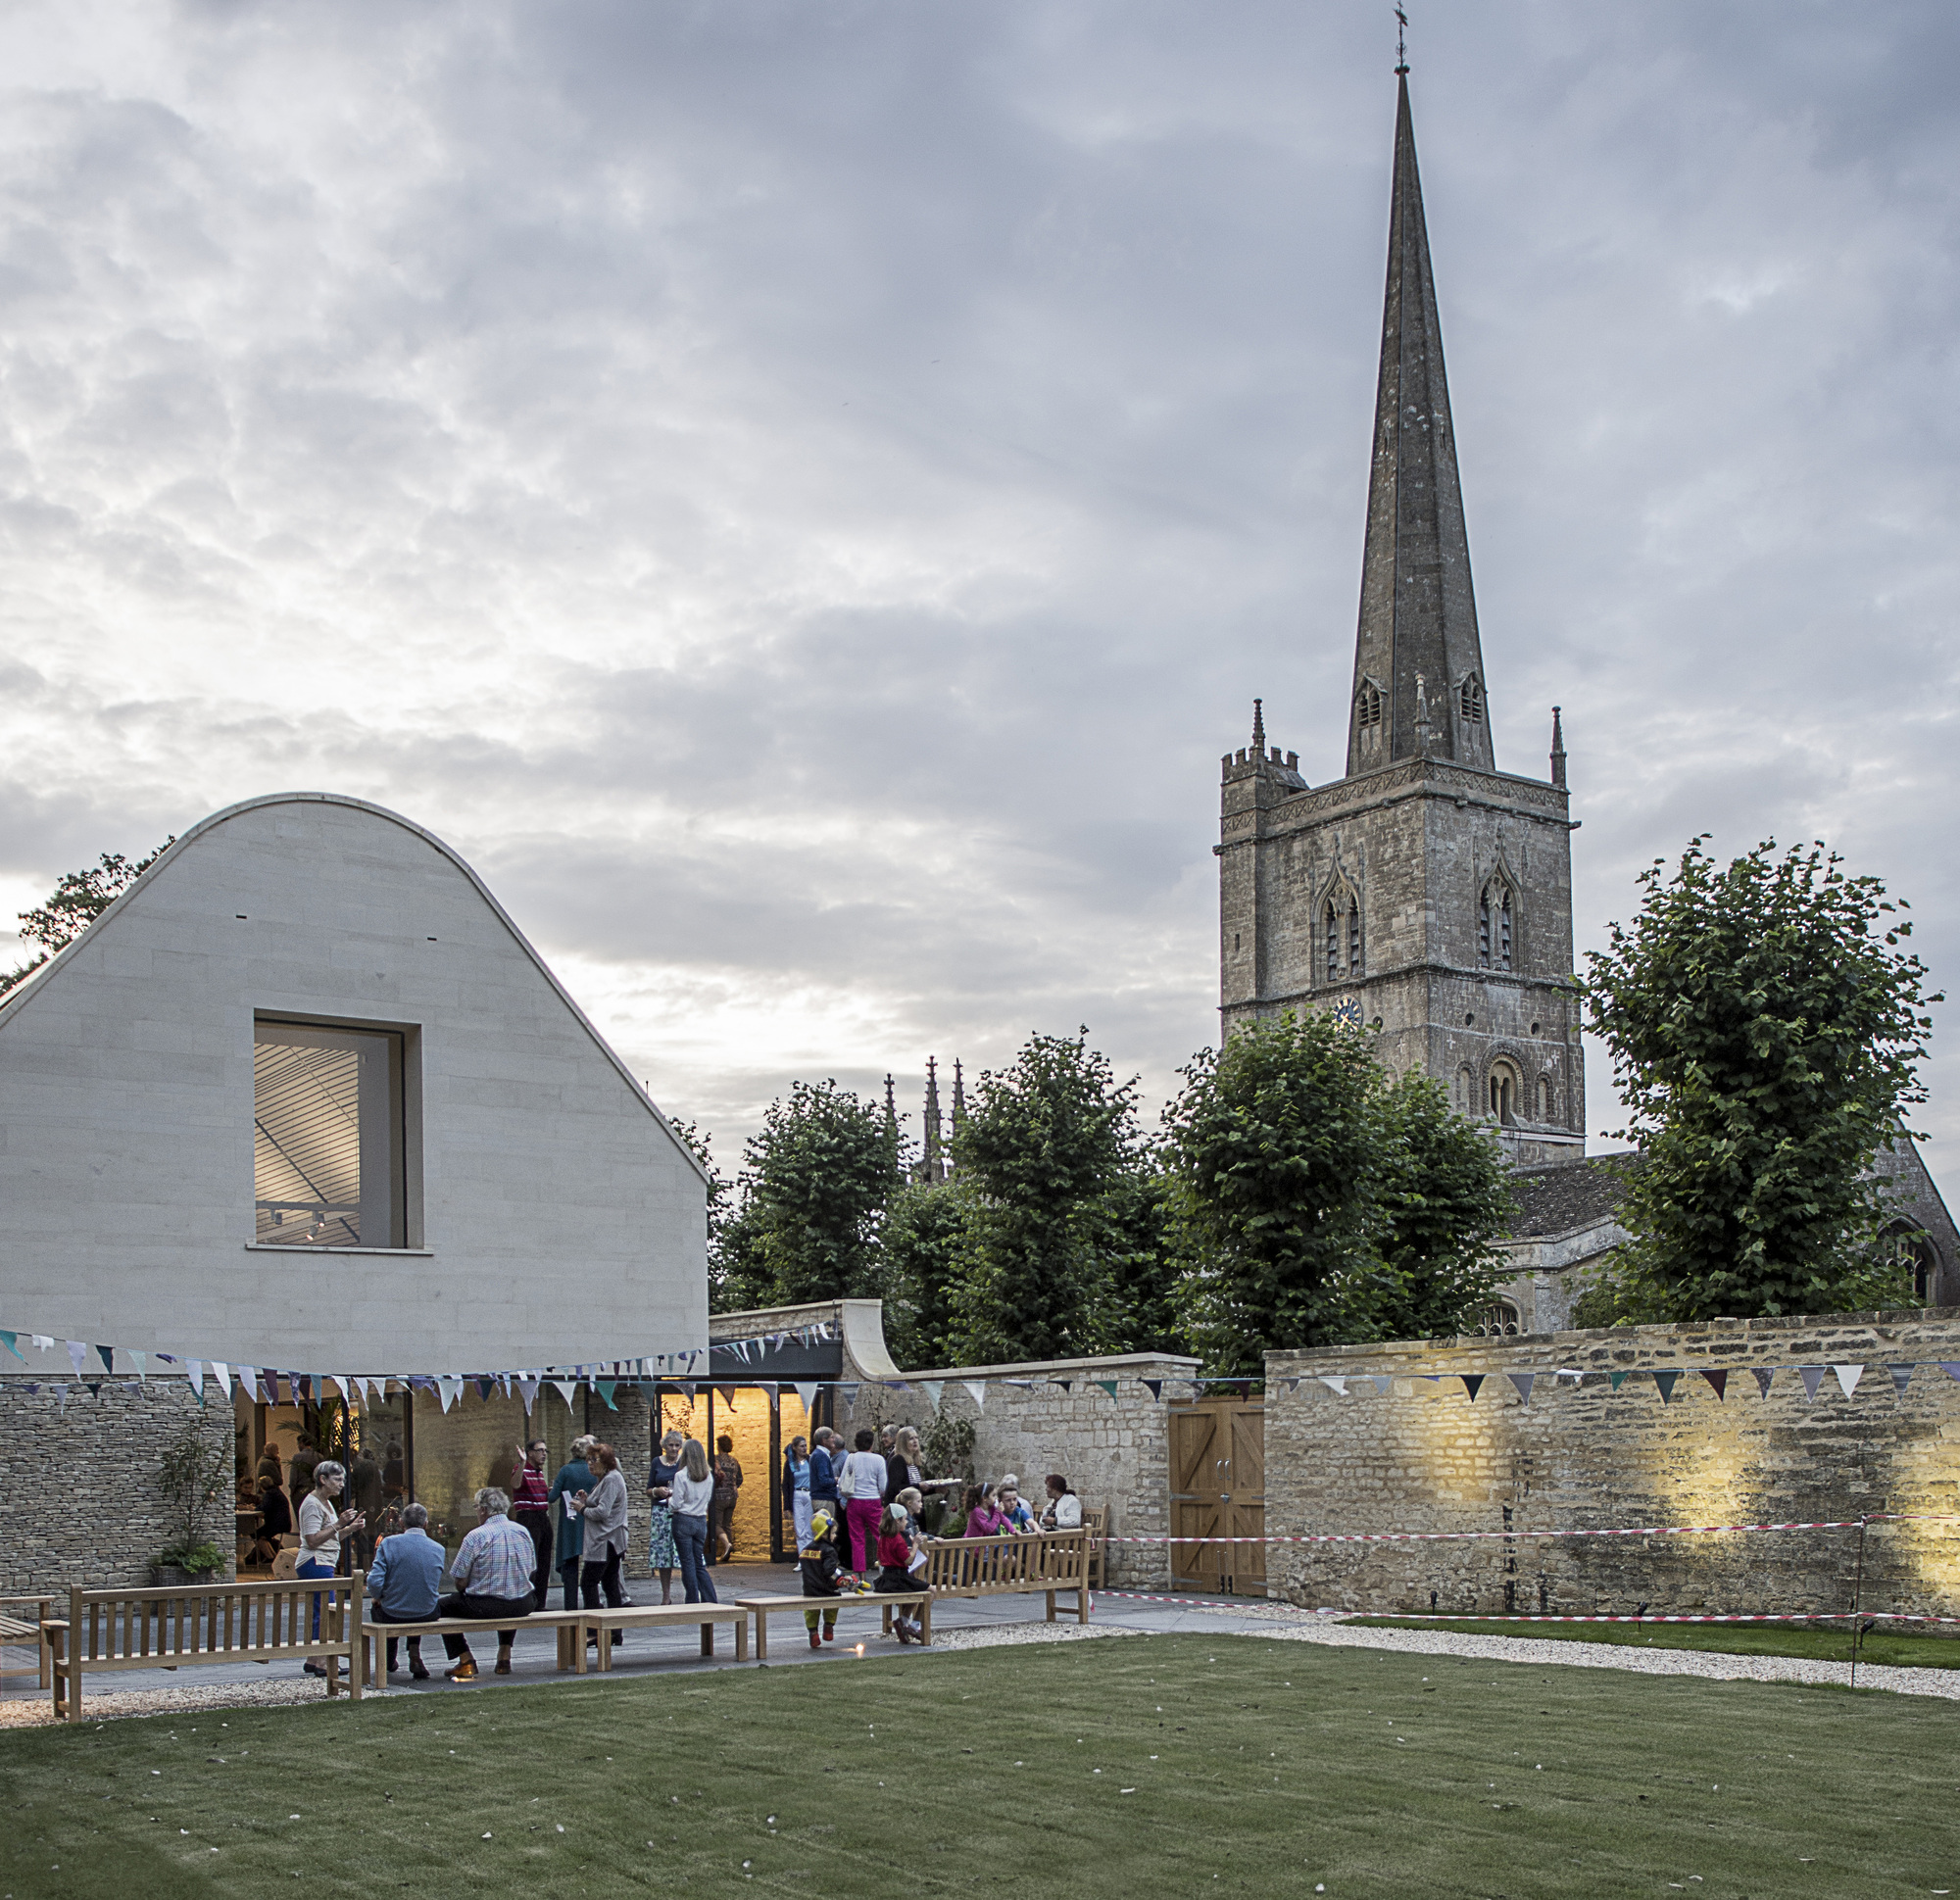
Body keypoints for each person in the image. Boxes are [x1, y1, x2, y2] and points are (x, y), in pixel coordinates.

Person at [436, 1487, 536, 1681]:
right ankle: (504, 1656)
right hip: (523, 1603)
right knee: (510, 1593)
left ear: (483, 1509)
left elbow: (459, 1580)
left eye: (476, 1508)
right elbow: (531, 1569)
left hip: (484, 1605)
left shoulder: (476, 1536)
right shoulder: (522, 1531)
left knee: (442, 1607)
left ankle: (466, 1659)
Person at [296, 1460, 364, 1668]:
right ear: (323, 1480)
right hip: (315, 1561)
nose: (341, 1483)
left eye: (343, 1479)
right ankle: (322, 1661)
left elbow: (330, 1537)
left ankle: (313, 1659)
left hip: (324, 1561)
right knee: (325, 1611)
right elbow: (313, 1539)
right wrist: (338, 1524)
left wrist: (350, 1528)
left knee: (322, 1609)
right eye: (337, 1479)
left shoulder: (325, 1502)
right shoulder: (312, 1504)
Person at [367, 1501, 443, 1679]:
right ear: (426, 1523)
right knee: (414, 1600)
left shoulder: (388, 1544)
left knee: (385, 1607)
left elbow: (375, 1581)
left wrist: (377, 1596)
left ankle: (389, 1657)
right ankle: (414, 1653)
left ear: (401, 1523)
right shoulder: (438, 1549)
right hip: (427, 1611)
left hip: (392, 1612)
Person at [569, 1441, 632, 1632]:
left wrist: (582, 1509)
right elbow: (602, 1504)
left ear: (605, 1462)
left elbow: (603, 1512)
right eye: (588, 1460)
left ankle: (595, 1629)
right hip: (606, 1539)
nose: (589, 1464)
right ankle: (613, 1631)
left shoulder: (612, 1479)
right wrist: (586, 1499)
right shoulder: (603, 1479)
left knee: (588, 1582)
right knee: (610, 1583)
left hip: (607, 1540)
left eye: (593, 1460)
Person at [547, 1437, 596, 1613]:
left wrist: (551, 1489)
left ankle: (571, 1606)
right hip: (590, 1520)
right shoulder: (593, 1471)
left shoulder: (566, 1471)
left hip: (570, 1522)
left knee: (570, 1563)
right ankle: (593, 1604)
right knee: (593, 1564)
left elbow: (551, 1498)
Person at [670, 1438, 718, 1604]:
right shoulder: (708, 1476)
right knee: (699, 1562)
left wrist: (669, 1500)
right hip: (700, 1520)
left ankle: (692, 1600)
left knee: (687, 1562)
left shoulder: (681, 1475)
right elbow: (708, 1499)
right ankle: (710, 1598)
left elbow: (676, 1504)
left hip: (683, 1519)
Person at [510, 1440, 554, 1610]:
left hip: (542, 1516)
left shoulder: (539, 1473)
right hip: (528, 1517)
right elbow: (515, 1484)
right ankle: (528, 1601)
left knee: (544, 1561)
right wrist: (521, 1463)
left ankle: (540, 1603)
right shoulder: (522, 1468)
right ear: (530, 1453)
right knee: (531, 1562)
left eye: (545, 1450)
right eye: (539, 1450)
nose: (543, 1454)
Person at [872, 1501, 924, 1643]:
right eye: (905, 1519)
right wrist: (914, 1545)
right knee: (930, 1591)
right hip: (899, 1578)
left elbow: (881, 1557)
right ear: (897, 1520)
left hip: (886, 1578)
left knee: (918, 1590)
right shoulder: (898, 1539)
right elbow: (908, 1561)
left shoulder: (883, 1537)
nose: (906, 1522)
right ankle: (914, 1624)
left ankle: (903, 1621)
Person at [646, 1428, 685, 1605]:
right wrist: (656, 1491)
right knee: (663, 1555)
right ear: (664, 1446)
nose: (674, 1449)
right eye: (671, 1445)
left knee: (682, 1552)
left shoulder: (683, 1463)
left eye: (677, 1445)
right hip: (660, 1512)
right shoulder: (657, 1462)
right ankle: (666, 1595)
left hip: (678, 1510)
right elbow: (648, 1488)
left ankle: (689, 1592)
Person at [799, 1507, 847, 1649]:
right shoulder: (829, 1550)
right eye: (832, 1533)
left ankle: (813, 1633)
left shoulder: (806, 1550)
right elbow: (830, 1571)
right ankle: (828, 1626)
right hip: (828, 1590)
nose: (834, 1536)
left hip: (810, 1591)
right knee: (832, 1605)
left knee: (810, 1611)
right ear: (824, 1533)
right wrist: (841, 1578)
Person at [840, 1428, 886, 1573]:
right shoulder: (878, 1459)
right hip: (873, 1500)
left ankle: (861, 1575)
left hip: (854, 1501)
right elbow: (883, 1486)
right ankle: (886, 1568)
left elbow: (842, 1480)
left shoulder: (851, 1458)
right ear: (872, 1443)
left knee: (857, 1539)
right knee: (881, 1536)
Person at [347, 1442, 384, 1570]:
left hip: (363, 1503)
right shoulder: (373, 1468)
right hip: (374, 1504)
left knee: (362, 1537)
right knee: (371, 1536)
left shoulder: (360, 1467)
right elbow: (380, 1486)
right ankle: (371, 1568)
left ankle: (362, 1568)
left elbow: (354, 1487)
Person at [710, 1434, 744, 1562]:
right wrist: (733, 1486)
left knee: (716, 1524)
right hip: (732, 1496)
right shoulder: (734, 1461)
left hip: (719, 1495)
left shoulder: (715, 1460)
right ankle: (727, 1552)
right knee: (727, 1524)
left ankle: (726, 1545)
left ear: (719, 1446)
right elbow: (740, 1478)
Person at [781, 1435, 813, 1552]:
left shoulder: (810, 1460)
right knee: (799, 1528)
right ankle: (802, 1557)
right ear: (795, 1448)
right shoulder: (790, 1464)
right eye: (801, 1446)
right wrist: (786, 1506)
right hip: (797, 1494)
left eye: (805, 1446)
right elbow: (785, 1484)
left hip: (809, 1493)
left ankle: (810, 1558)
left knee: (809, 1527)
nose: (804, 1449)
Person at [808, 1427, 842, 1530]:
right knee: (826, 1531)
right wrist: (836, 1480)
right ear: (824, 1440)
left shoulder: (817, 1455)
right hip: (824, 1499)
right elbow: (823, 1480)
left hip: (820, 1498)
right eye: (831, 1437)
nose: (834, 1440)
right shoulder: (821, 1456)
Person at [884, 1427, 923, 1504]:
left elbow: (915, 1490)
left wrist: (934, 1490)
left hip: (914, 1508)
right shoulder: (898, 1460)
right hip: (902, 1510)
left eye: (916, 1438)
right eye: (911, 1439)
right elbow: (896, 1488)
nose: (915, 1441)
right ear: (903, 1443)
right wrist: (919, 1486)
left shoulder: (914, 1461)